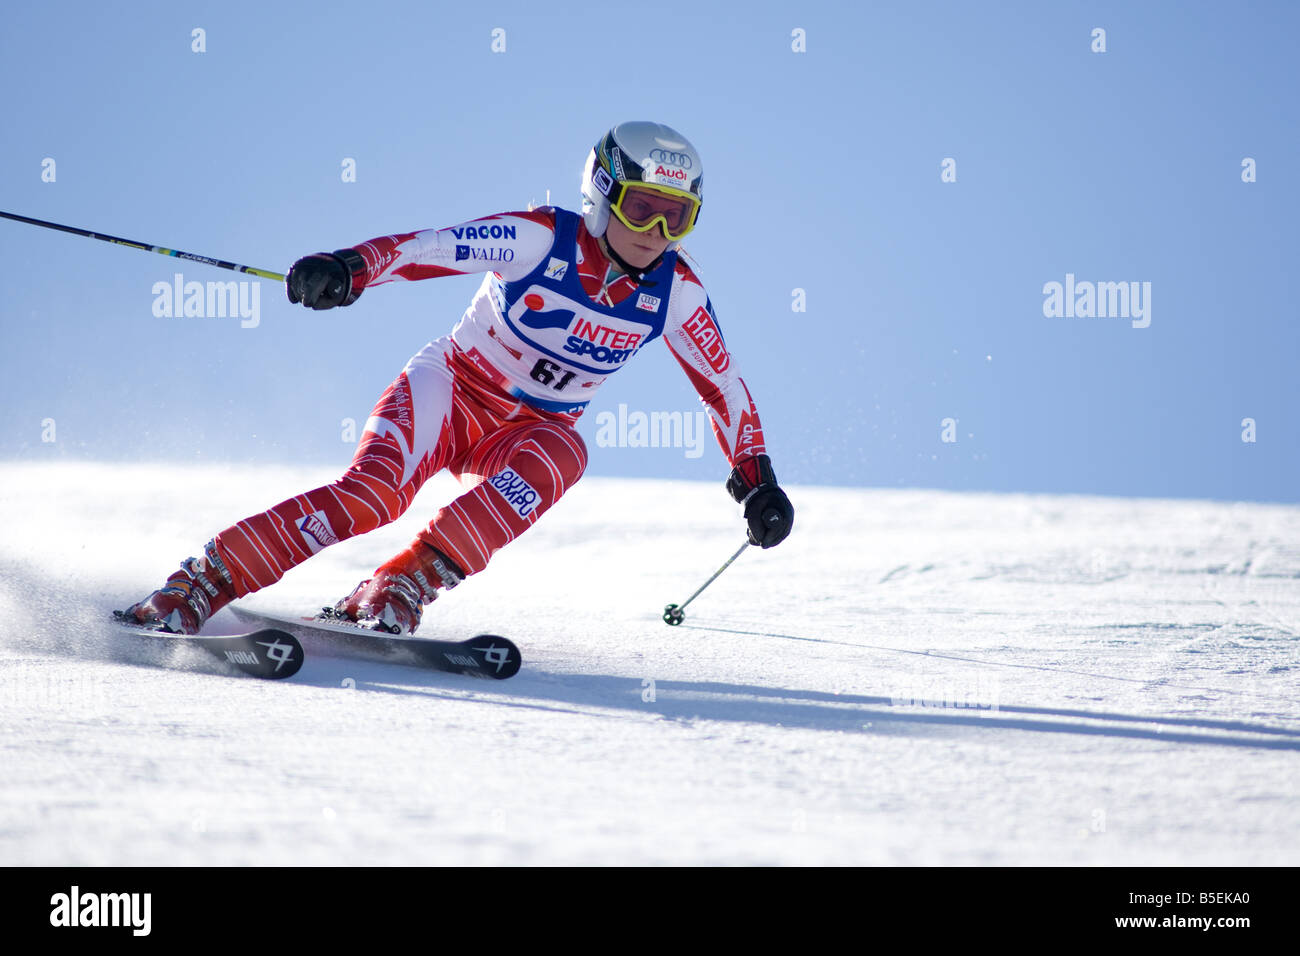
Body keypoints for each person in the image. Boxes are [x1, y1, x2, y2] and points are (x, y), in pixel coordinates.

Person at [122, 121, 795, 636]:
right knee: (372, 499)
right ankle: (198, 584)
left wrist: (757, 481)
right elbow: (432, 248)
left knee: (567, 453)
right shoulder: (541, 238)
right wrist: (351, 267)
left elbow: (724, 388)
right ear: (602, 194)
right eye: (643, 205)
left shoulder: (676, 294)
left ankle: (398, 586)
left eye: (675, 217)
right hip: (450, 391)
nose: (654, 230)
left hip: (532, 431)